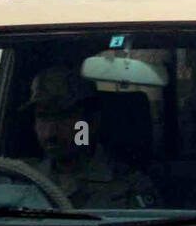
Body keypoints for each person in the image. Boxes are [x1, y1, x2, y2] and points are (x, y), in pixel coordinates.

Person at [24, 66, 158, 209]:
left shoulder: (130, 187)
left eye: (64, 117)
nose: (51, 132)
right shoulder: (24, 178)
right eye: (43, 117)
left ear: (91, 122)